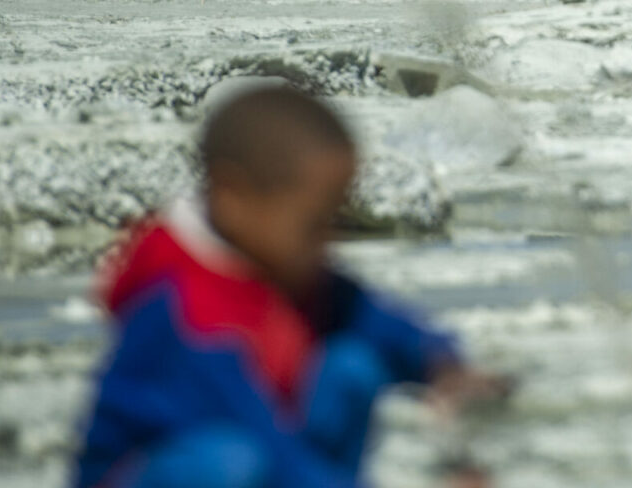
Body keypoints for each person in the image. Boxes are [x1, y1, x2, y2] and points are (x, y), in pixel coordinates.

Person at [74, 83, 507, 488]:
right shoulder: (183, 312)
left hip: (268, 451)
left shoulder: (274, 259)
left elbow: (372, 318)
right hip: (166, 469)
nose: (327, 241)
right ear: (234, 197)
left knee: (351, 368)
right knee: (228, 461)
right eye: (313, 224)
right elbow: (271, 452)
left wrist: (441, 364)